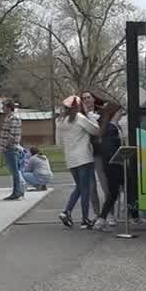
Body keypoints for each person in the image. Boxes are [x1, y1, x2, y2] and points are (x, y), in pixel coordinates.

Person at [58, 95, 101, 228]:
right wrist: (92, 117)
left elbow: (59, 143)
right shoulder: (79, 118)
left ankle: (67, 212)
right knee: (85, 189)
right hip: (84, 157)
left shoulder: (59, 121)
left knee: (79, 187)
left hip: (70, 158)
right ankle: (84, 219)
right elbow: (96, 131)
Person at [93, 104, 126, 231]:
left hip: (115, 163)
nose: (121, 114)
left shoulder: (115, 127)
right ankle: (135, 216)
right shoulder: (110, 129)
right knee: (128, 188)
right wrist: (119, 156)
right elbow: (108, 149)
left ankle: (101, 219)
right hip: (114, 165)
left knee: (113, 193)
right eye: (120, 112)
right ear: (114, 113)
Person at [0, 100, 25, 200]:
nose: (2, 108)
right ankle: (19, 191)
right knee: (15, 171)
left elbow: (12, 135)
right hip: (9, 147)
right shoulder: (9, 117)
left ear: (9, 107)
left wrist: (5, 146)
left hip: (11, 148)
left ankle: (17, 192)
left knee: (15, 171)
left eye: (4, 106)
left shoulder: (14, 118)